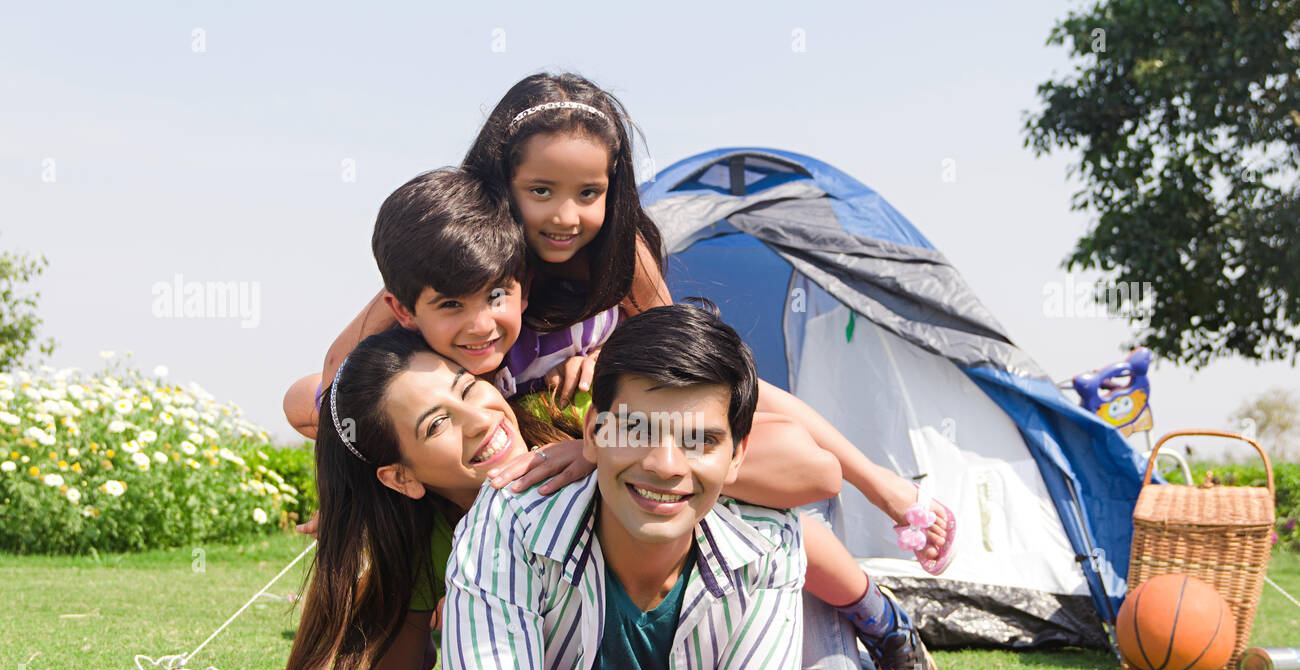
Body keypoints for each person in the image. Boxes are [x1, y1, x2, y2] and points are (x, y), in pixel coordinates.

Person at [282, 72, 955, 573]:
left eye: (589, 193)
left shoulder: (619, 255)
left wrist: (609, 357)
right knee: (306, 401)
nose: (564, 216)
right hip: (501, 438)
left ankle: (883, 490)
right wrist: (345, 485)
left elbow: (696, 371)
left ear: (615, 188)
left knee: (750, 420)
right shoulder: (456, 274)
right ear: (499, 184)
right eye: (539, 191)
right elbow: (339, 380)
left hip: (597, 422)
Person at [439, 302, 878, 670]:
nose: (665, 464)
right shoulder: (511, 519)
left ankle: (884, 629)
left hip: (824, 617)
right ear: (593, 434)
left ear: (737, 456)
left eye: (700, 441)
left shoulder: (768, 537)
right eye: (635, 429)